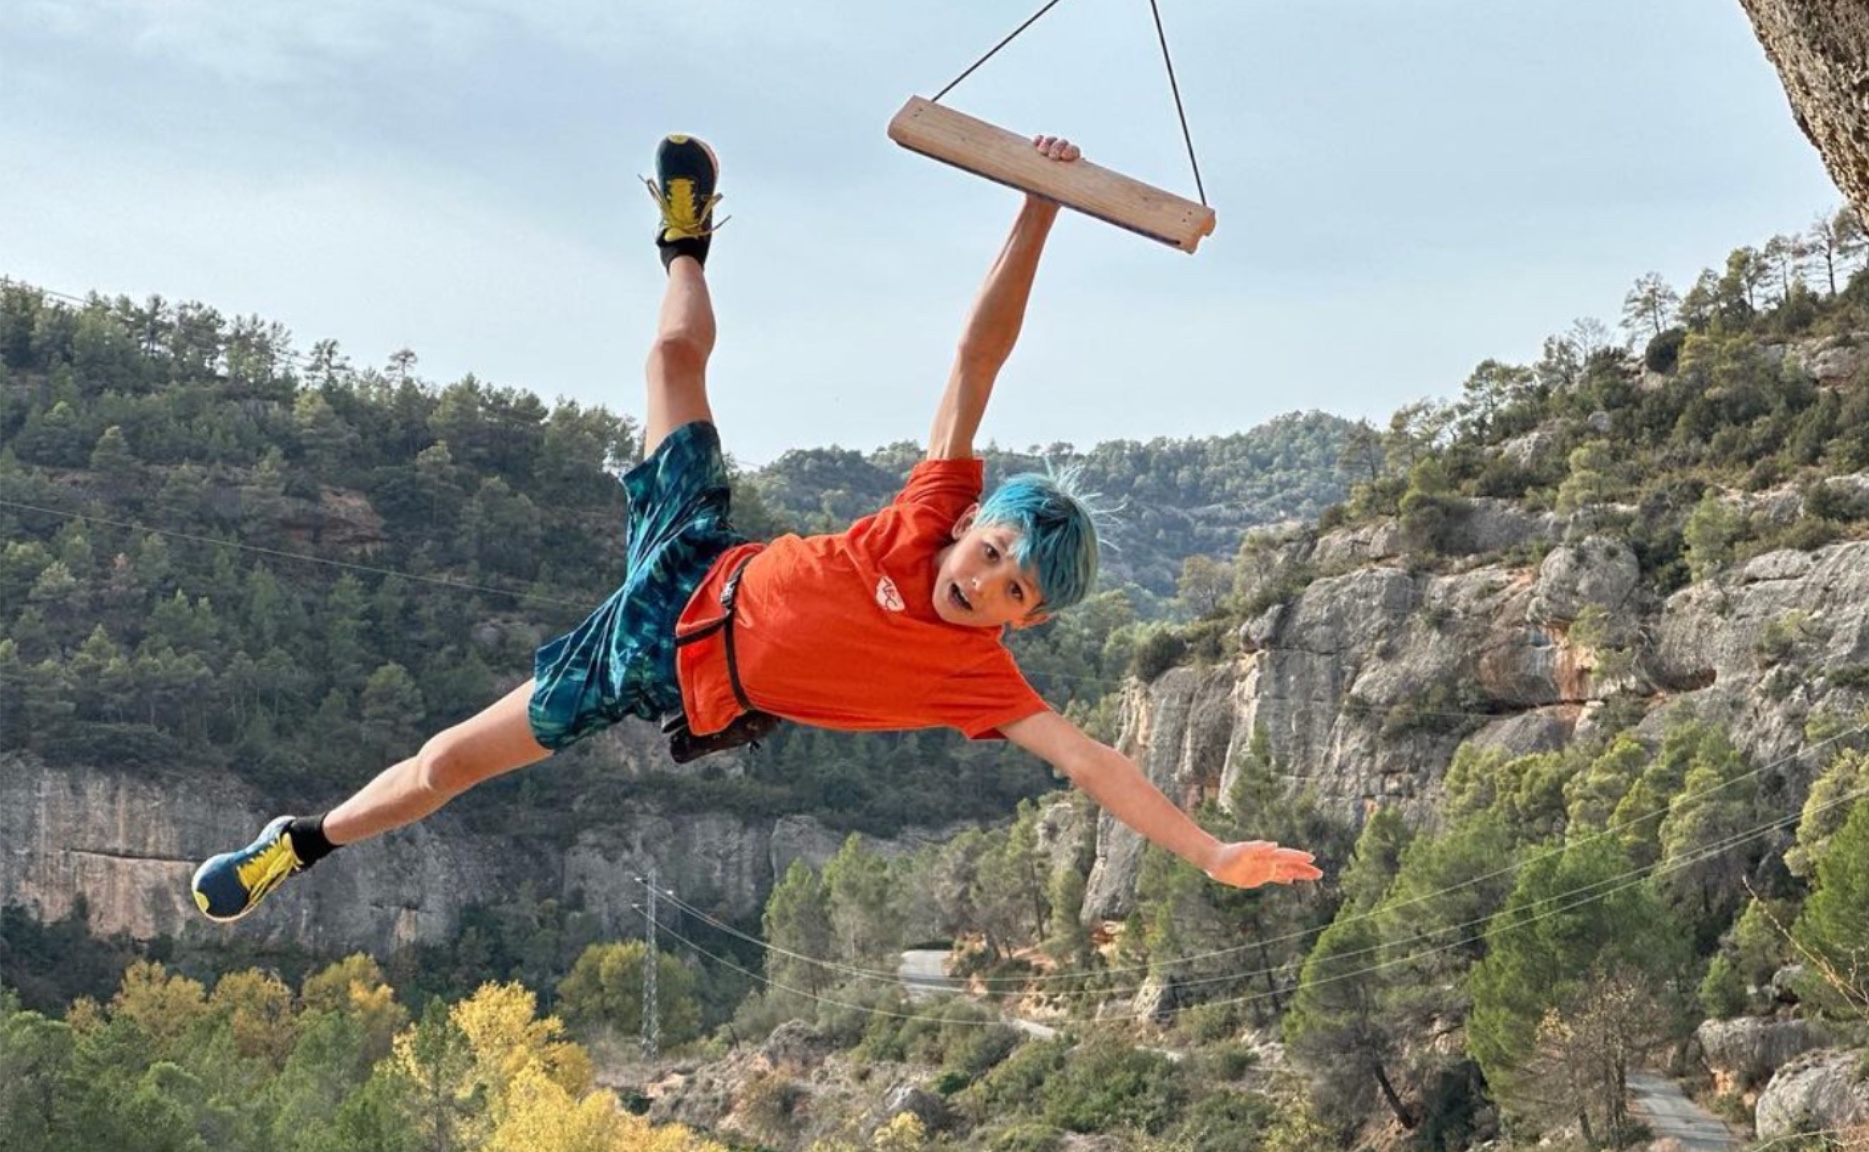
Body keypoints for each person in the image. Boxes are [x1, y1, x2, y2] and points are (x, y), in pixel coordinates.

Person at [191, 132, 1323, 924]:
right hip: (697, 559)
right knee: (670, 359)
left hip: (661, 668)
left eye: (1014, 592)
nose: (983, 583)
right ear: (969, 526)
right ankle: (686, 242)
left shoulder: (978, 683)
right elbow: (977, 361)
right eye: (990, 553)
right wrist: (1037, 205)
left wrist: (1212, 851)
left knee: (448, 762)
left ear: (1026, 620)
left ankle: (301, 841)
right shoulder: (930, 513)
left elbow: (1092, 761)